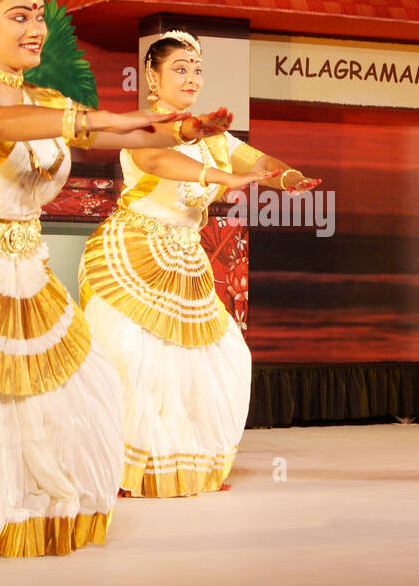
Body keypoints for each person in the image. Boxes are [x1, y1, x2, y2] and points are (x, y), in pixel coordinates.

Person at [0, 0, 232, 563]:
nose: (35, 28)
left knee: (70, 388)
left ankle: (21, 514)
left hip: (21, 266)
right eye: (18, 16)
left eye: (39, 15)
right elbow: (4, 123)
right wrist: (95, 119)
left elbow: (108, 131)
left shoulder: (46, 97)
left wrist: (183, 129)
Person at [78, 30, 321, 498]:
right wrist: (221, 176)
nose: (191, 78)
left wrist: (287, 177)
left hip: (185, 256)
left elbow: (256, 161)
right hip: (135, 251)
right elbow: (157, 161)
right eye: (179, 69)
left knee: (219, 359)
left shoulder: (213, 137)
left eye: (197, 70)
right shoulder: (142, 126)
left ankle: (185, 461)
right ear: (152, 77)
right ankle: (120, 468)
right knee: (132, 357)